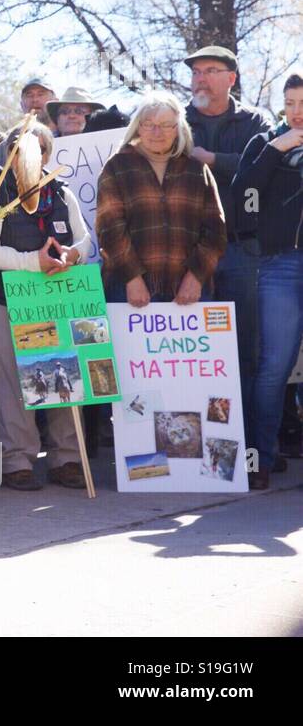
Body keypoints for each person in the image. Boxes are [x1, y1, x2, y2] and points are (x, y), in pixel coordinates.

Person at [0, 123, 92, 490]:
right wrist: (31, 262)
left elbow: (85, 238)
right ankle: (17, 461)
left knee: (64, 375)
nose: (28, 156)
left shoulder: (63, 193)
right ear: (8, 154)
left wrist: (75, 254)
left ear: (47, 154)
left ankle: (68, 459)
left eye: (36, 149)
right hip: (10, 302)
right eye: (19, 149)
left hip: (58, 300)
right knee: (11, 383)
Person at [185, 46, 272, 416]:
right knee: (194, 350)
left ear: (231, 78)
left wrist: (211, 159)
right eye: (196, 72)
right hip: (189, 253)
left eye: (209, 70)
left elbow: (264, 168)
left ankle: (248, 448)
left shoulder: (256, 122)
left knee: (244, 349)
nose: (200, 78)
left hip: (243, 251)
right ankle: (201, 451)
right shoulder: (176, 120)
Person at [232, 74, 303, 489]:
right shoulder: (264, 145)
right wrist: (276, 151)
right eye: (291, 102)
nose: (298, 111)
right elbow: (241, 201)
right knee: (273, 367)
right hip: (281, 267)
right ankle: (259, 457)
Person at [95, 91, 226, 306]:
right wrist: (132, 278)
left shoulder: (196, 170)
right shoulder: (116, 167)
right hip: (126, 290)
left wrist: (196, 277)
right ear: (138, 126)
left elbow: (215, 232)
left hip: (190, 292)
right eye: (149, 124)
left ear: (178, 129)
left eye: (166, 125)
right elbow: (109, 228)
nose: (157, 132)